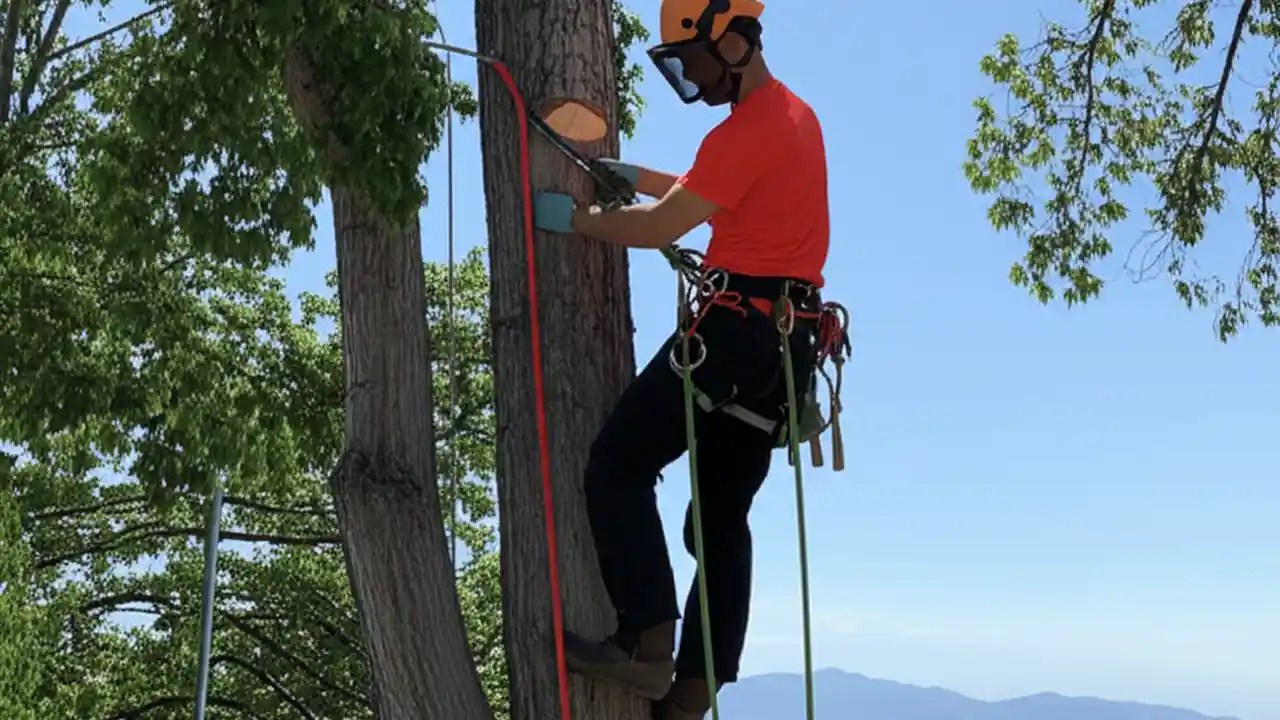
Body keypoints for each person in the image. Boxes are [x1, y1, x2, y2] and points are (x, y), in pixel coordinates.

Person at [531, 1, 829, 717]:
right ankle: (694, 690)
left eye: (695, 62)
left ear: (731, 39)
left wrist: (576, 219)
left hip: (730, 337)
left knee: (618, 463)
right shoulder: (795, 119)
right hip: (784, 350)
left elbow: (667, 224)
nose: (696, 80)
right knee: (720, 520)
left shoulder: (749, 131)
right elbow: (709, 196)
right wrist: (631, 177)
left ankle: (646, 645)